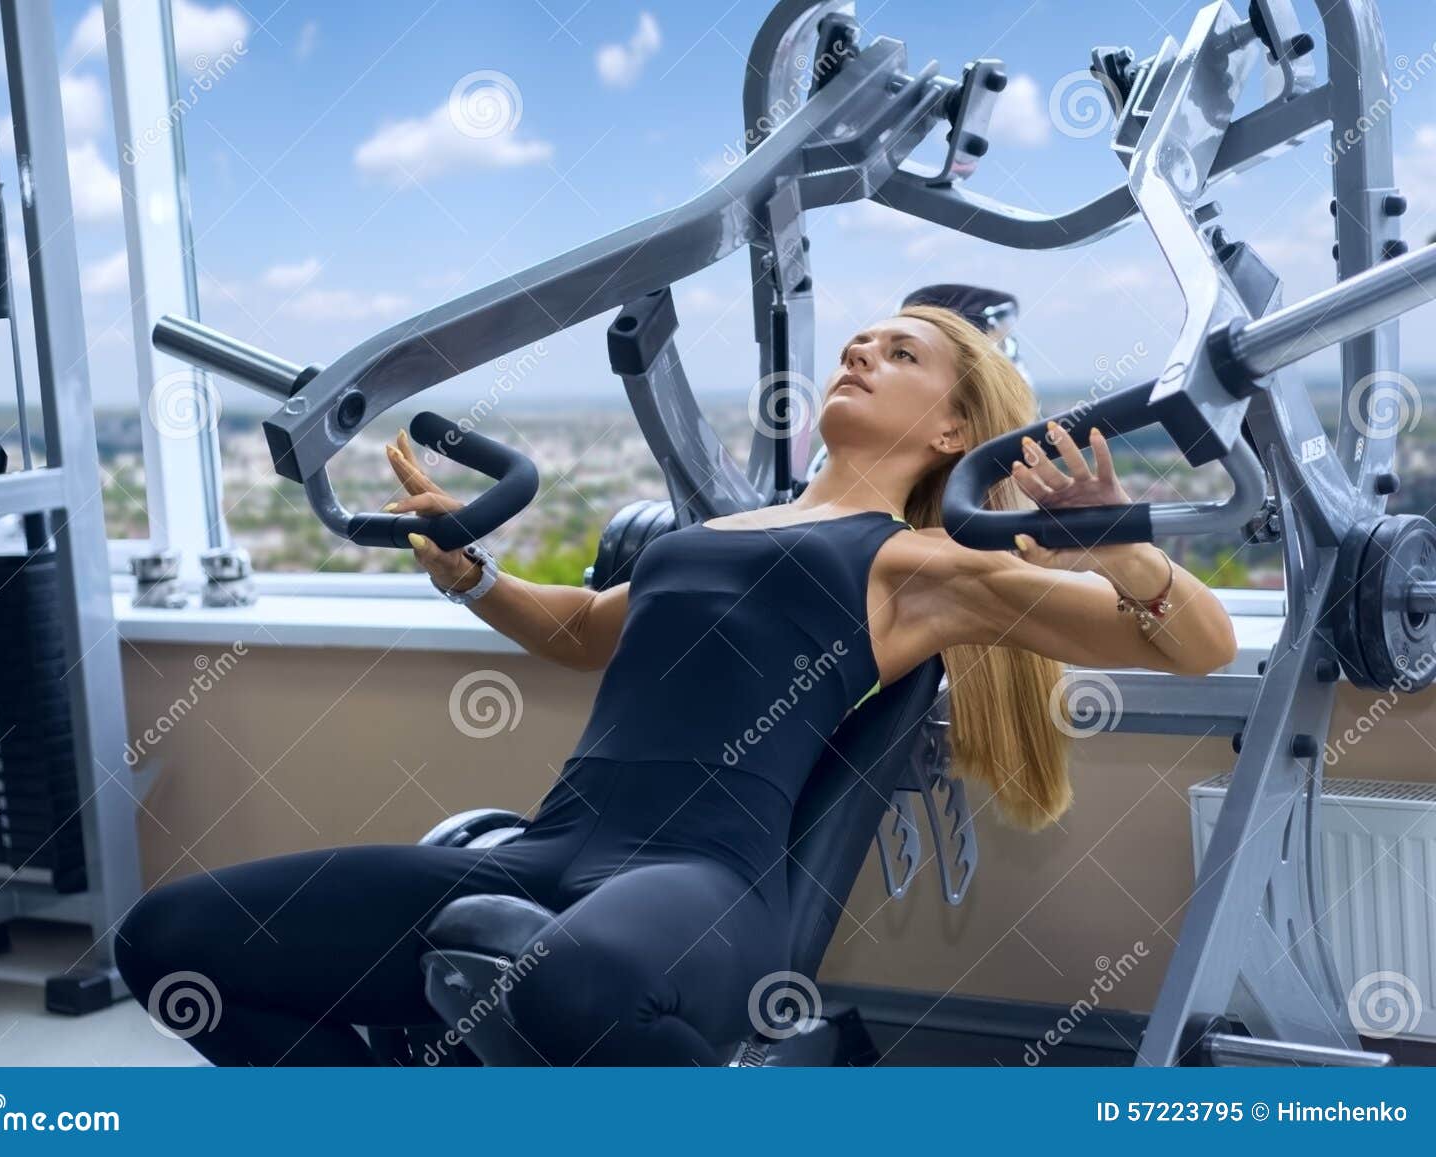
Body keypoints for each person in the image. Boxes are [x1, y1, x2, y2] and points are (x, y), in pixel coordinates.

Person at [114, 303, 1237, 1066]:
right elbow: (583, 630)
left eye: (898, 353)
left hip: (700, 885)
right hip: (550, 847)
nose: (858, 351)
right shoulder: (715, 529)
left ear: (952, 424)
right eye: (857, 340)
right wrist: (474, 575)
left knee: (561, 985)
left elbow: (1194, 645)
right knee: (169, 941)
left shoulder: (914, 562)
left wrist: (1124, 550)